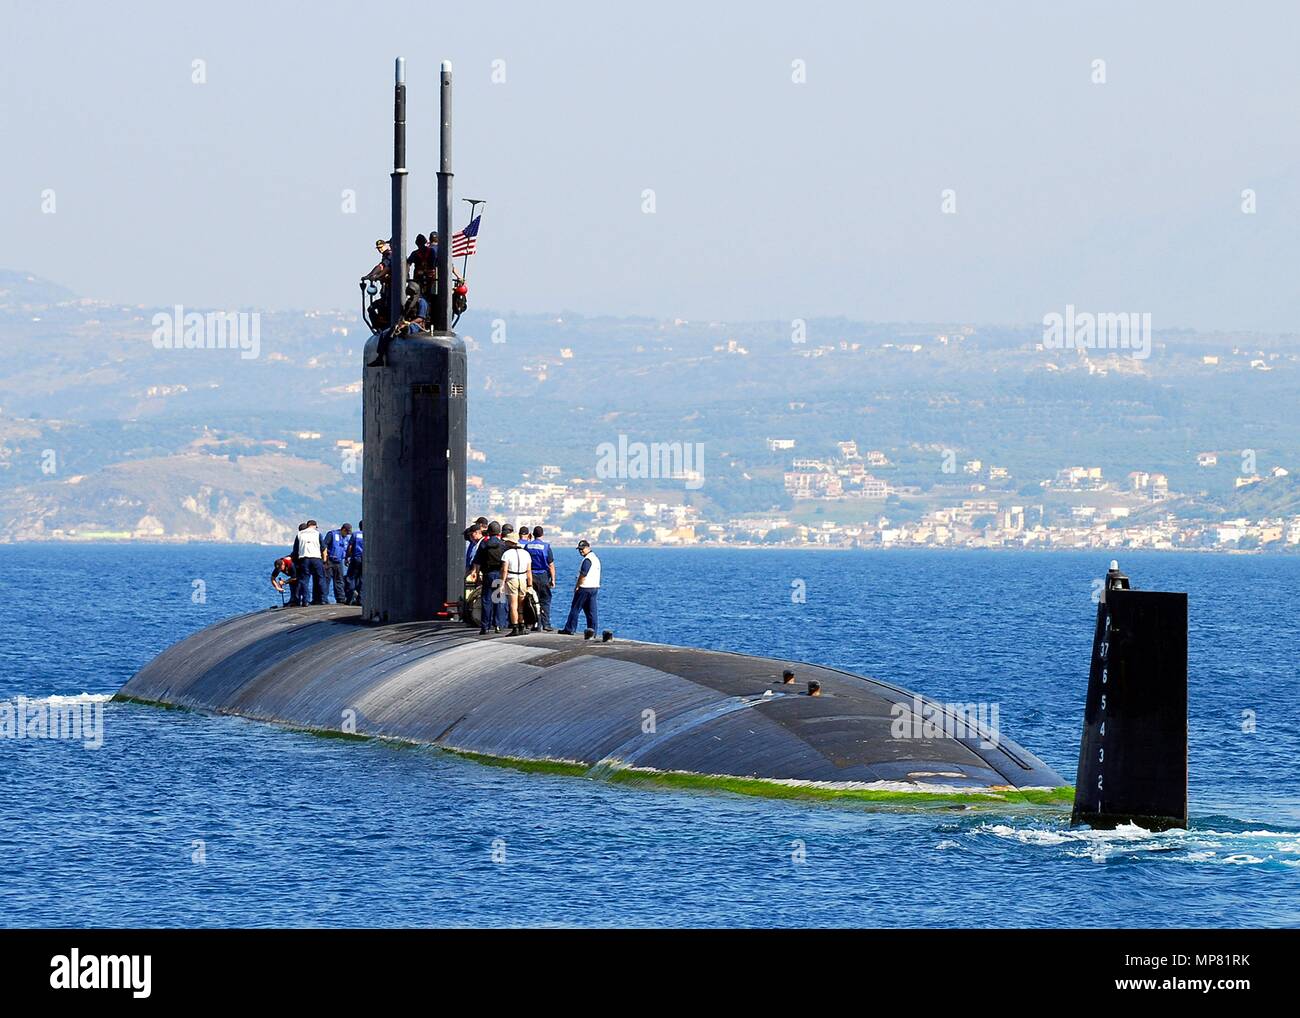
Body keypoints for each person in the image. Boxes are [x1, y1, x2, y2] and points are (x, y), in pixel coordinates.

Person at [559, 540, 600, 636]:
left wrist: (577, 586)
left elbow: (583, 574)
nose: (581, 551)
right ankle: (592, 631)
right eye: (579, 550)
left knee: (575, 608)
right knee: (591, 611)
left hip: (584, 587)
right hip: (594, 587)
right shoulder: (595, 559)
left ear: (588, 547)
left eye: (582, 549)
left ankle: (570, 628)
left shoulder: (587, 560)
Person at [473, 521, 507, 634]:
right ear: (499, 532)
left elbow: (477, 562)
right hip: (499, 574)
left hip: (487, 574)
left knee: (486, 600)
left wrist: (478, 576)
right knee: (498, 600)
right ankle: (498, 625)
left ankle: (485, 627)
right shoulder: (503, 545)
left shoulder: (483, 545)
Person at [521, 524, 556, 631]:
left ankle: (534, 623)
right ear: (542, 534)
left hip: (531, 575)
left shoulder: (527, 546)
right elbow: (551, 565)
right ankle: (546, 624)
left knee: (531, 600)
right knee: (545, 600)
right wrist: (553, 579)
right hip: (543, 576)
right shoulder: (546, 547)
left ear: (532, 534)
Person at [501, 536, 534, 637]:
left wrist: (502, 582)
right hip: (523, 579)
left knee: (513, 605)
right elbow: (529, 571)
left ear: (510, 543)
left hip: (512, 579)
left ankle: (515, 627)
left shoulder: (507, 554)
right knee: (522, 604)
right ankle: (522, 625)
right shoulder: (526, 553)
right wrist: (530, 585)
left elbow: (504, 570)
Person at [294, 520, 326, 605]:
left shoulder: (299, 534)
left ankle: (305, 601)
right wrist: (324, 560)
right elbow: (323, 548)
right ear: (314, 525)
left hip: (304, 559)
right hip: (316, 558)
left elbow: (295, 550)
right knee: (321, 578)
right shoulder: (317, 534)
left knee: (304, 580)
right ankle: (323, 599)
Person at [322, 523, 352, 604]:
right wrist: (325, 559)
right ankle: (324, 599)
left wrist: (346, 559)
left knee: (339, 580)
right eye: (347, 532)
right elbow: (324, 546)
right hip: (329, 560)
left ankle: (341, 598)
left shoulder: (346, 538)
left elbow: (346, 549)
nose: (347, 535)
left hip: (339, 561)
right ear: (343, 530)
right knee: (326, 580)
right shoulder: (332, 534)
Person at [345, 521, 364, 606]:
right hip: (365, 560)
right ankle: (361, 599)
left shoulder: (355, 534)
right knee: (362, 579)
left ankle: (349, 598)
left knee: (351, 578)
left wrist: (347, 557)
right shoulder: (369, 534)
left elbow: (350, 547)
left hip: (356, 558)